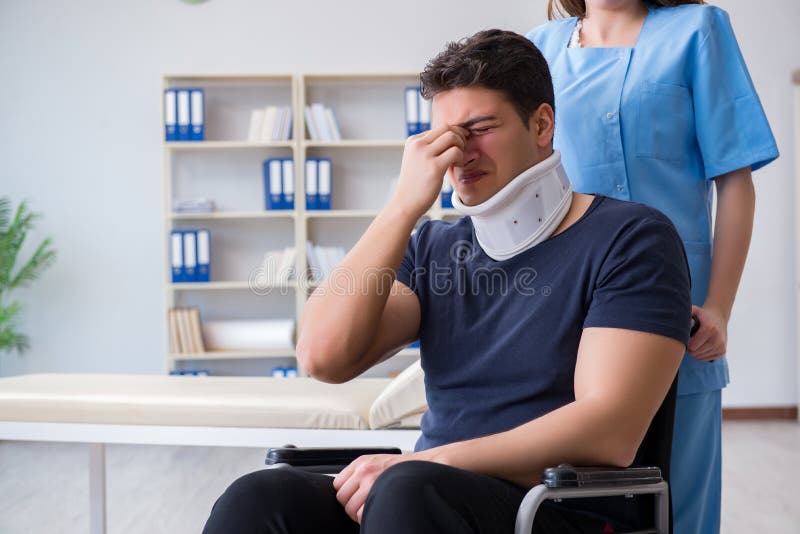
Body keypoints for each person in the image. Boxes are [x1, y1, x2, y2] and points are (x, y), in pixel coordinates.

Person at [203, 29, 692, 534]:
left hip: (558, 506)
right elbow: (322, 356)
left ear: (542, 124)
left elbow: (610, 430)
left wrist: (429, 463)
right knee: (259, 498)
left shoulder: (632, 239)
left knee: (408, 489)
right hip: (424, 501)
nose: (459, 154)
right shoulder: (435, 249)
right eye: (444, 138)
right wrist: (401, 206)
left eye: (479, 129)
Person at [526, 2, 779, 532]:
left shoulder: (698, 30)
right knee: (572, 502)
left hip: (678, 314)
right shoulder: (541, 47)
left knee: (678, 502)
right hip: (567, 307)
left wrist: (720, 306)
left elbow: (735, 181)